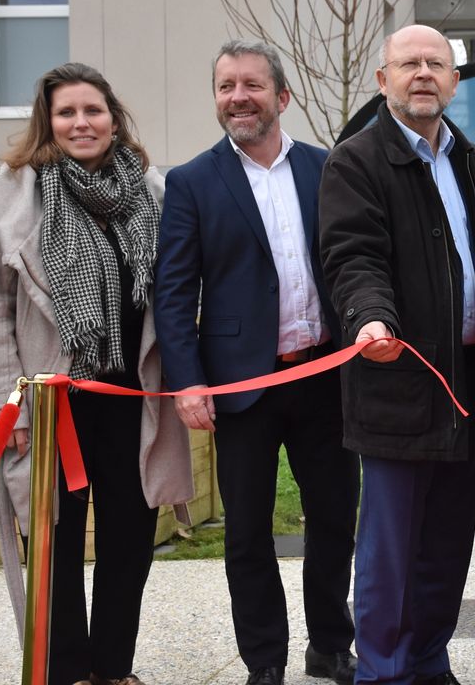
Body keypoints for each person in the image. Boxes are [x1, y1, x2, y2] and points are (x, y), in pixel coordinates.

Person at [0, 62, 194, 685]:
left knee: (129, 537)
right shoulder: (10, 195)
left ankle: (114, 668)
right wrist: (2, 410)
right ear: (49, 123)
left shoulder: (153, 191)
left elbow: (172, 295)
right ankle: (65, 669)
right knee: (56, 543)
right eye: (66, 113)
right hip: (50, 405)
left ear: (113, 118)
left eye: (92, 110)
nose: (81, 123)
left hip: (135, 395)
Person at [154, 40, 360, 685]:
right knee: (246, 532)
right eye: (225, 87)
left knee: (333, 518)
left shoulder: (328, 170)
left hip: (323, 377)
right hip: (240, 384)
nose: (237, 97)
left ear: (281, 96)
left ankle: (330, 645)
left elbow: (350, 265)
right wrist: (188, 382)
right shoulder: (191, 181)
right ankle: (263, 659)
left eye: (250, 85)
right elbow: (174, 290)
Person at [318, 24, 475, 685]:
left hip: (466, 387)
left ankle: (429, 660)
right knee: (391, 554)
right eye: (408, 64)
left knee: (447, 547)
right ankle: (384, 671)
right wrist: (370, 319)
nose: (423, 74)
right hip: (395, 382)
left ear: (454, 81)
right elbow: (352, 258)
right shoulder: (356, 161)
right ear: (383, 80)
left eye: (436, 64)